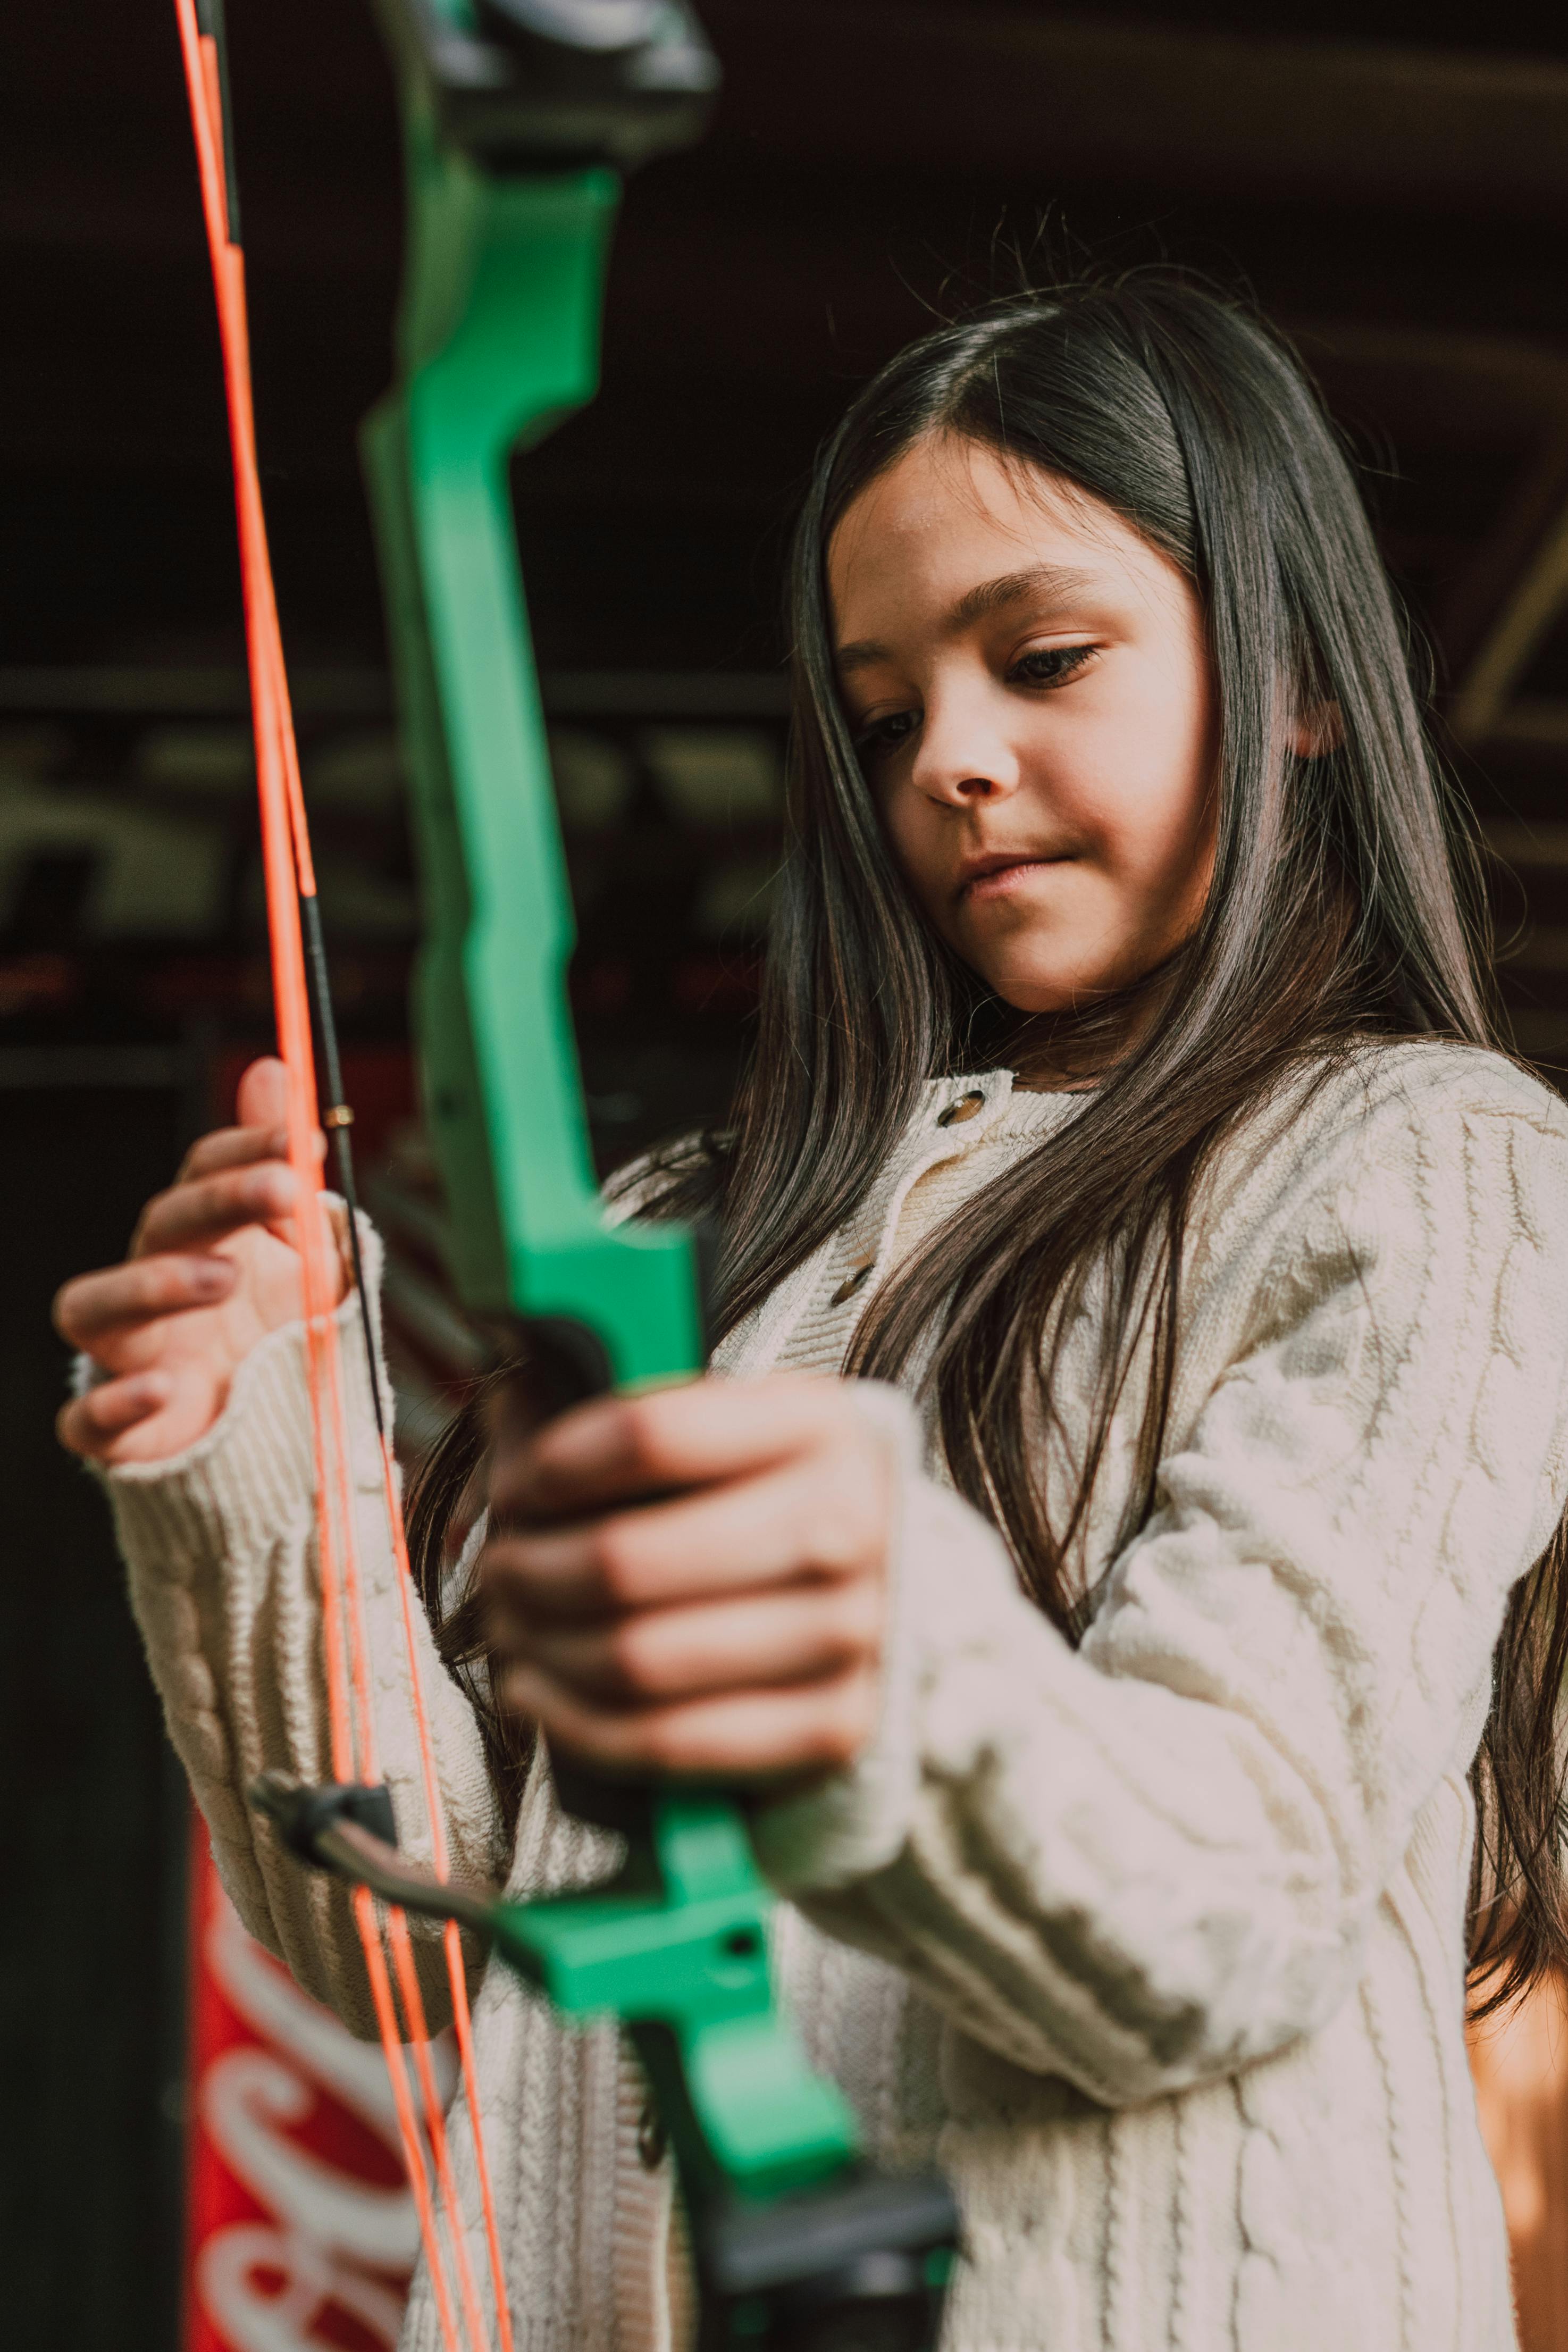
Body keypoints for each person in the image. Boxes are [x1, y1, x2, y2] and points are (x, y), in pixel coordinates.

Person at [55, 277, 1568, 2351]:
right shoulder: (690, 1221)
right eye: (880, 708)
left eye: (1042, 658)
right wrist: (262, 1451)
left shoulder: (1435, 1161)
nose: (949, 756)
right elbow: (439, 1966)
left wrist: (867, 1640)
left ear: (1298, 676)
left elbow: (1230, 1883)